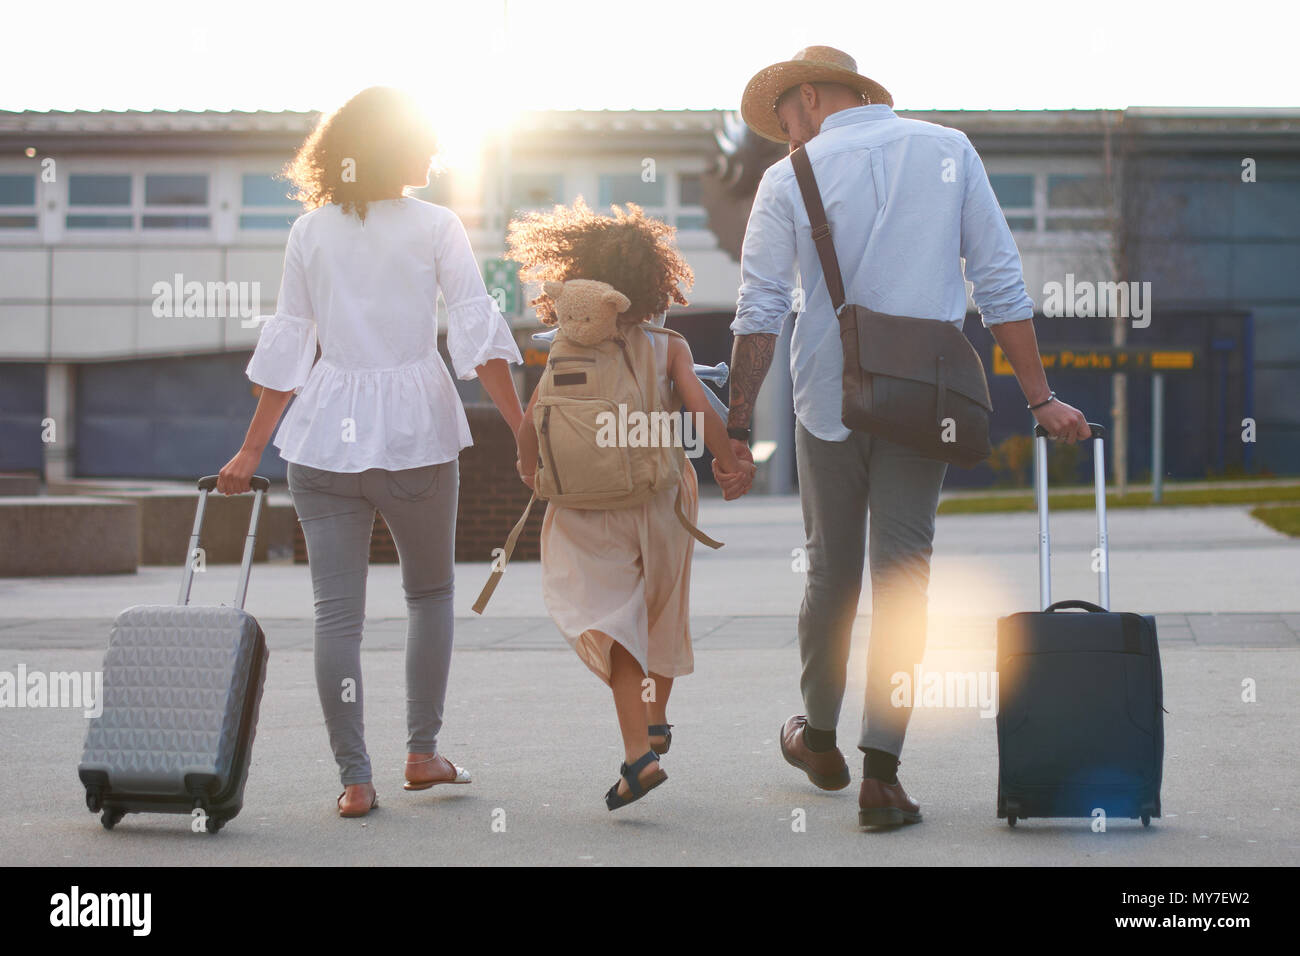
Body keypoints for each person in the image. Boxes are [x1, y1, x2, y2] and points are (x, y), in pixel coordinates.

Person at [722, 47, 1091, 827]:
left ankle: (818, 738)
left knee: (831, 575)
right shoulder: (948, 148)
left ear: (812, 98)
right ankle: (882, 777)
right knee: (904, 579)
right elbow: (998, 281)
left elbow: (758, 310)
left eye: (784, 116)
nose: (784, 133)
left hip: (827, 399)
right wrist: (1041, 397)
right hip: (929, 402)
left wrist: (733, 426)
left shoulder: (789, 178)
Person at [216, 86, 524, 818]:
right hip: (414, 434)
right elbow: (475, 333)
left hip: (323, 441)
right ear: (393, 149)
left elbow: (290, 348)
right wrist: (521, 428)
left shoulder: (309, 231)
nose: (434, 154)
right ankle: (422, 753)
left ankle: (355, 779)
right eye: (423, 140)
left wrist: (247, 452)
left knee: (336, 619)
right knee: (431, 595)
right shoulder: (436, 225)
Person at [508, 200, 753, 810]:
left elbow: (532, 419)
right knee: (661, 615)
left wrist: (528, 467)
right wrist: (727, 463)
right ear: (655, 281)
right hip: (664, 498)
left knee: (614, 627)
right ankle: (657, 719)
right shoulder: (666, 344)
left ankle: (638, 752)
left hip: (586, 507)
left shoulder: (567, 343)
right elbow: (702, 412)